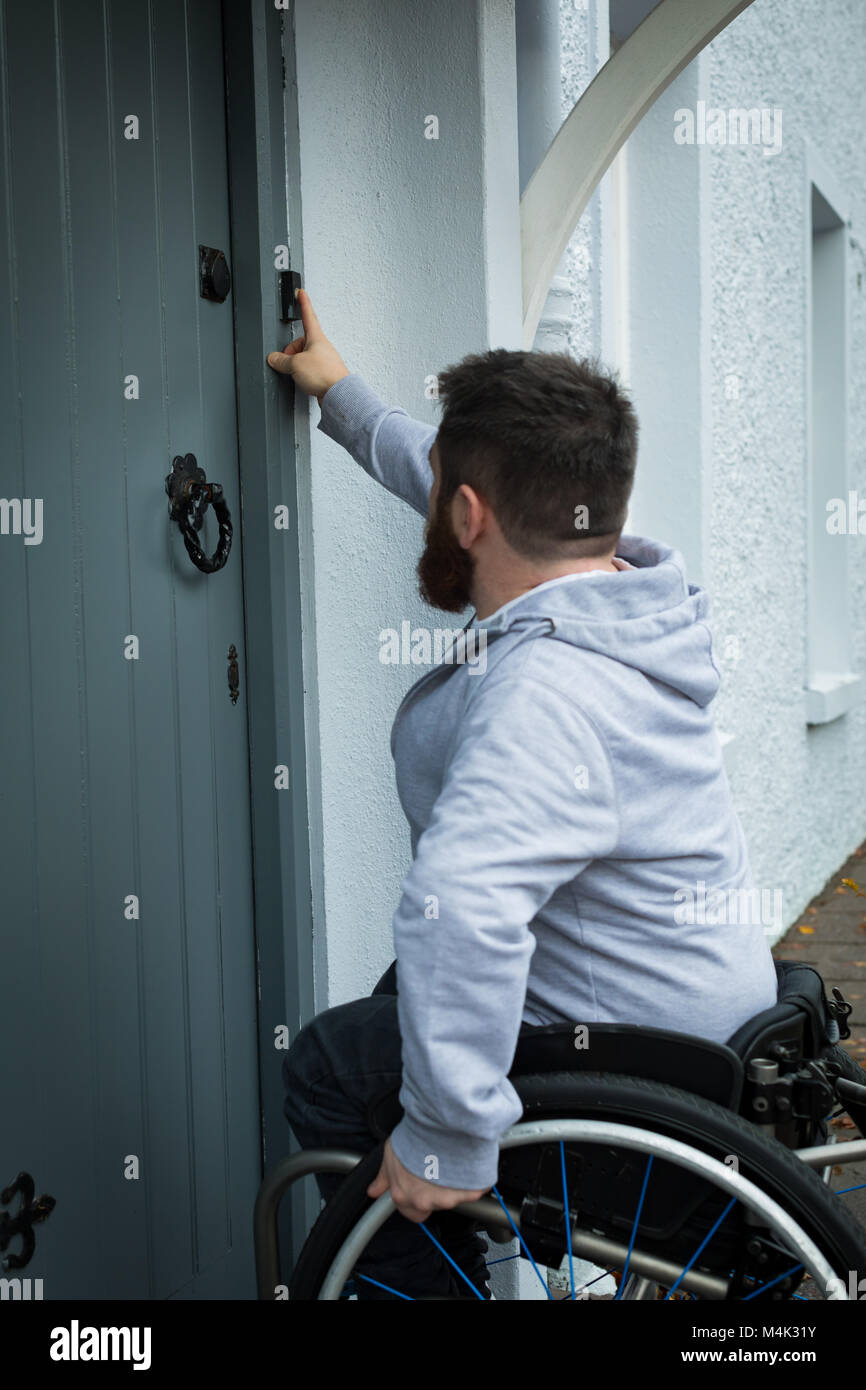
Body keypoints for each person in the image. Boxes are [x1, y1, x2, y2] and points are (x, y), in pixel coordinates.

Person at [265, 289, 783, 1299]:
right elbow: (461, 474)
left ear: (468, 515)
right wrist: (346, 397)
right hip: (696, 1023)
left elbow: (461, 914)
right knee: (395, 1003)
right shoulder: (626, 592)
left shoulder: (541, 693)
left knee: (328, 1062)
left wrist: (442, 1140)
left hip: (626, 1072)